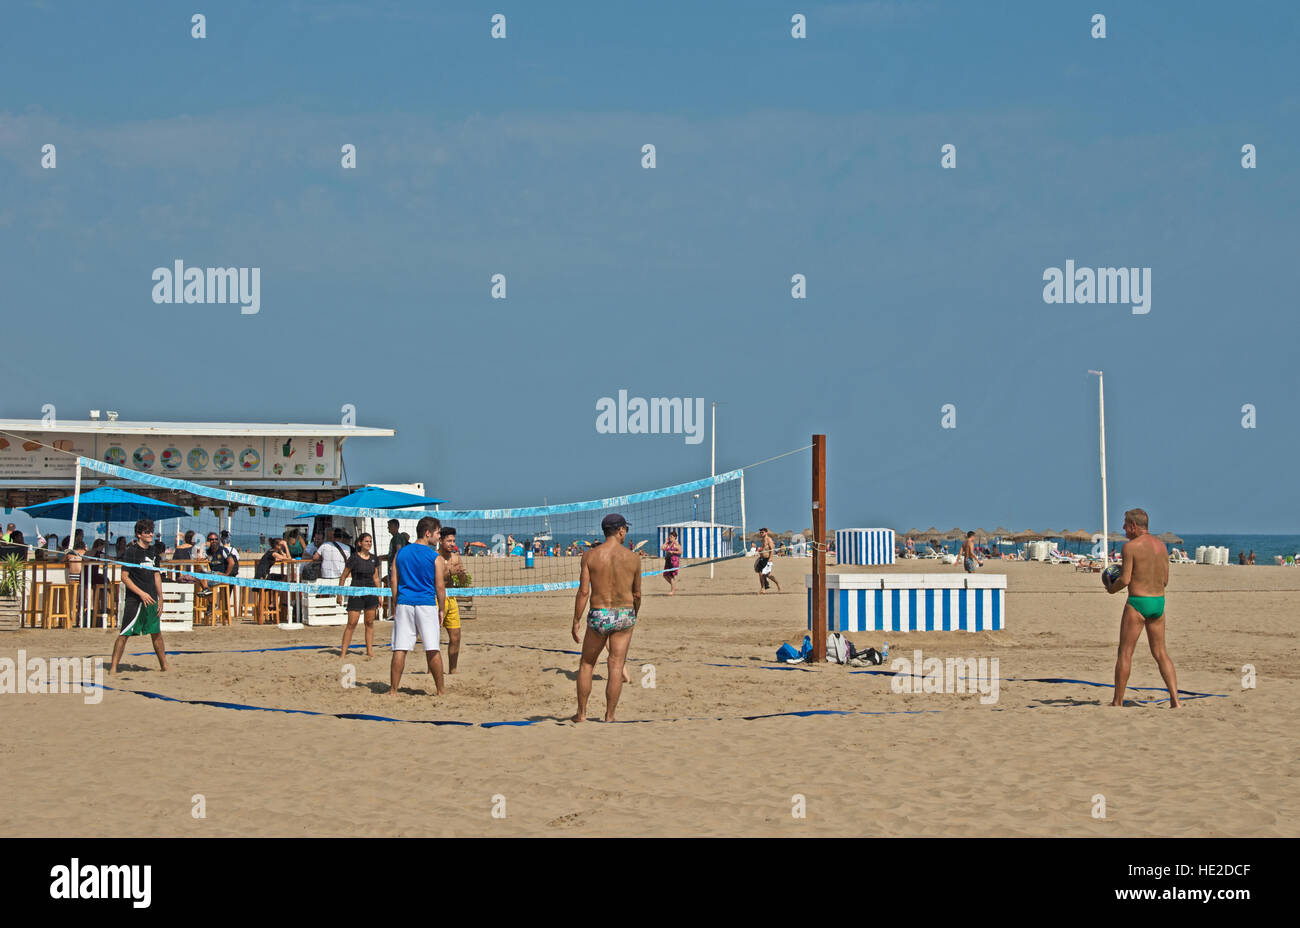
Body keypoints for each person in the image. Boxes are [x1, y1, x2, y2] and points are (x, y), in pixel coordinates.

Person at [1104, 508, 1179, 708]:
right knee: (1161, 653)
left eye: (1125, 524)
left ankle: (1117, 701)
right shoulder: (1162, 547)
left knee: (1125, 652)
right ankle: (1175, 701)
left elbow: (1125, 579)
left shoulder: (1130, 547)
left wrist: (1111, 588)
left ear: (1134, 526)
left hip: (1138, 602)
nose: (1123, 528)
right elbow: (1165, 580)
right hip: (1158, 603)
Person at [571, 513, 642, 723]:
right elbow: (637, 594)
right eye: (625, 530)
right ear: (621, 531)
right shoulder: (633, 558)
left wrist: (576, 620)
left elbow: (583, 592)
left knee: (586, 664)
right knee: (616, 666)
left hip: (599, 613)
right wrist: (634, 613)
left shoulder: (590, 556)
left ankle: (581, 714)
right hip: (624, 613)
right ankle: (609, 716)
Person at [388, 516, 446, 697]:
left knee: (400, 648)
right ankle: (440, 690)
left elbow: (393, 580)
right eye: (438, 533)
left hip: (405, 603)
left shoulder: (401, 553)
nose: (439, 537)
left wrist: (396, 602)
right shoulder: (435, 557)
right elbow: (440, 587)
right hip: (426, 605)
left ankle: (393, 690)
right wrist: (442, 608)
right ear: (427, 533)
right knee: (432, 648)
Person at [109, 519, 169, 675]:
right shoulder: (131, 552)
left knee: (156, 633)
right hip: (135, 600)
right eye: (147, 532)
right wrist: (141, 593)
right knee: (124, 634)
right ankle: (113, 668)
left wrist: (161, 598)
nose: (150, 534)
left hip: (151, 599)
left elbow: (156, 575)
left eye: (151, 531)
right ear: (139, 534)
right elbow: (124, 577)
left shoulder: (154, 552)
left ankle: (164, 666)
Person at [337, 533, 381, 658]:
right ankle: (343, 653)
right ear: (360, 543)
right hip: (356, 592)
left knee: (370, 622)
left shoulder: (374, 558)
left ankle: (369, 651)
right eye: (366, 541)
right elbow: (343, 576)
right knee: (352, 623)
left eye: (370, 541)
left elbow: (376, 578)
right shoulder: (354, 558)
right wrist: (339, 594)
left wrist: (380, 595)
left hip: (371, 592)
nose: (369, 543)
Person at [438, 527, 466, 673]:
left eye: (453, 541)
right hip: (436, 599)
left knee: (455, 638)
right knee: (433, 639)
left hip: (451, 598)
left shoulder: (455, 558)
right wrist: (449, 572)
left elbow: (463, 583)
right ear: (440, 541)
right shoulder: (434, 557)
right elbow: (433, 579)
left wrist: (461, 575)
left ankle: (453, 670)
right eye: (449, 540)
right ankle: (432, 670)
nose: (452, 544)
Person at [255, 537, 292, 623]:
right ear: (277, 545)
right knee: (285, 578)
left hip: (261, 576)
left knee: (282, 579)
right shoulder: (273, 553)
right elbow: (289, 558)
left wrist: (282, 551)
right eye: (281, 545)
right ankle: (275, 602)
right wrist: (286, 546)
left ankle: (275, 600)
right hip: (263, 577)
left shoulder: (272, 552)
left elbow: (284, 557)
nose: (282, 546)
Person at [754, 528, 781, 593]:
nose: (761, 533)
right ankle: (763, 588)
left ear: (766, 532)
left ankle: (778, 584)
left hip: (767, 559)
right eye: (760, 532)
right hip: (761, 559)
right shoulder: (762, 540)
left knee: (767, 575)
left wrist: (770, 559)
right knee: (760, 574)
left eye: (762, 532)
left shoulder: (769, 539)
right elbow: (764, 549)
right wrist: (760, 551)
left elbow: (772, 549)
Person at [661, 530, 681, 595]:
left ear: (675, 537)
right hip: (668, 560)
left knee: (671, 576)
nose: (670, 537)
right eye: (670, 536)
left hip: (674, 561)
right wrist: (665, 542)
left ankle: (672, 591)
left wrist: (673, 552)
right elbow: (662, 548)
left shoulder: (676, 544)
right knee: (665, 575)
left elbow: (680, 551)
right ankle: (674, 587)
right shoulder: (669, 543)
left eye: (671, 536)